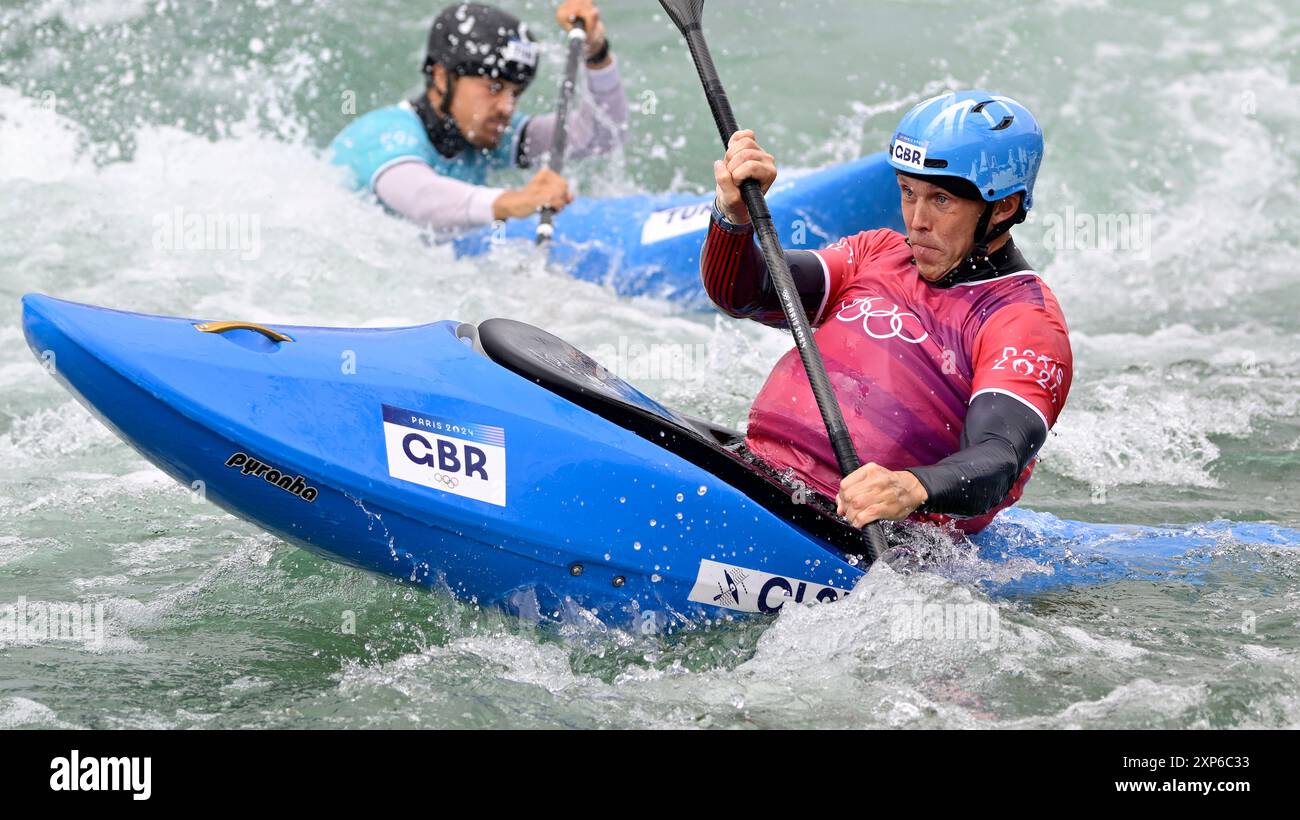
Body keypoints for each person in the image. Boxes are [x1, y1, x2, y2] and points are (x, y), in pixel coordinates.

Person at [700, 91, 1072, 535]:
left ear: (1004, 207)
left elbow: (997, 458)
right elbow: (745, 293)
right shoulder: (876, 253)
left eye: (941, 200)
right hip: (761, 473)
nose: (916, 221)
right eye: (908, 192)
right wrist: (734, 215)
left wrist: (910, 487)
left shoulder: (1023, 320)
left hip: (868, 535)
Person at [329, 1, 627, 232]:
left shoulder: (486, 133)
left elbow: (600, 136)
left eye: (515, 92)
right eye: (494, 88)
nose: (507, 107)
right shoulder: (383, 133)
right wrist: (514, 202)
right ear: (442, 77)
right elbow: (421, 199)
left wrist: (596, 53)